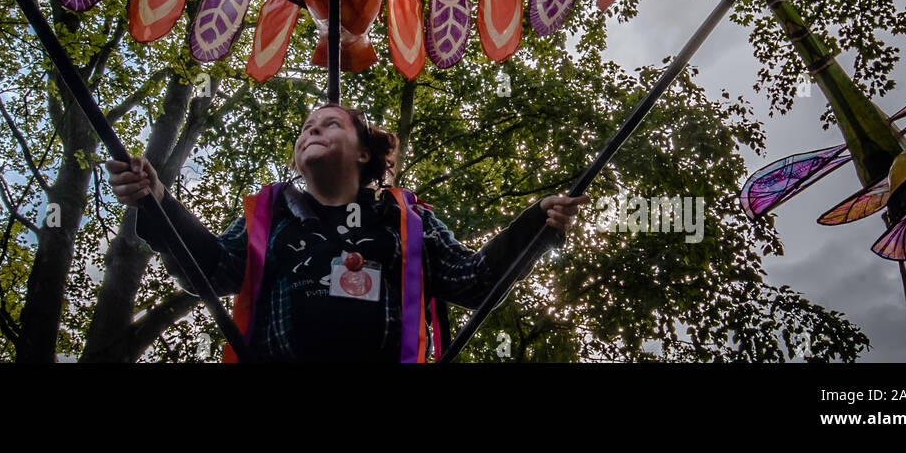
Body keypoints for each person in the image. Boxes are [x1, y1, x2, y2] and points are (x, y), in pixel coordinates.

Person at [106, 103, 587, 362]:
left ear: (363, 153)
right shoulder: (271, 214)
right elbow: (208, 270)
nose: (311, 130)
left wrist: (534, 226)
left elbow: (475, 279)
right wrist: (158, 202)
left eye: (330, 124)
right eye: (306, 127)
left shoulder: (406, 219)